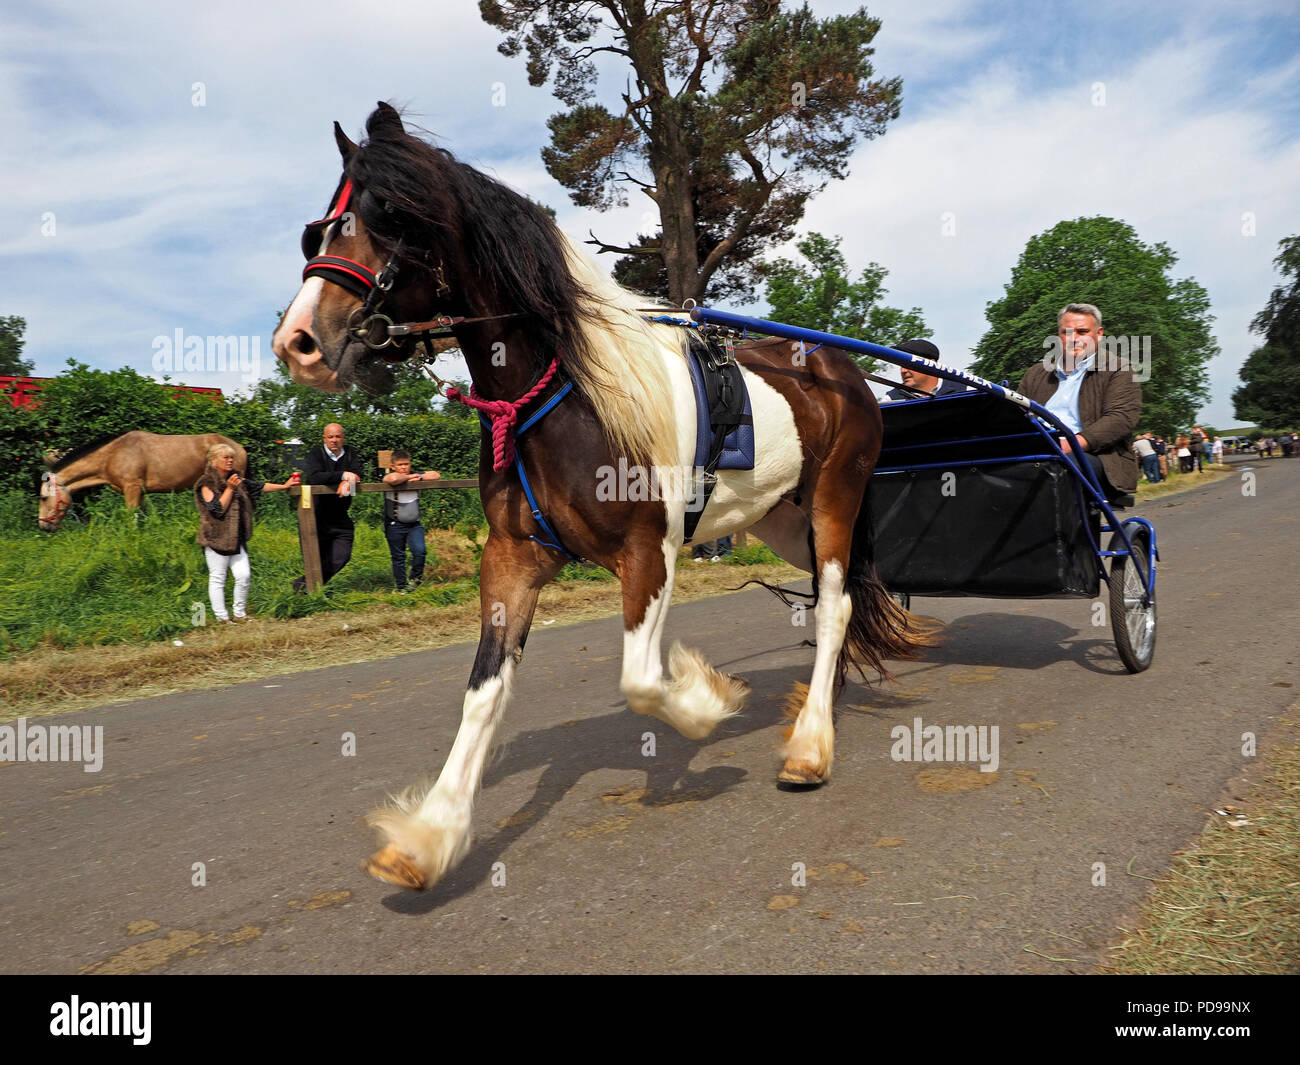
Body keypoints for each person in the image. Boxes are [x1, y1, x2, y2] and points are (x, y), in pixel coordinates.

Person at [1017, 303, 1141, 502]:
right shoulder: (1035, 374)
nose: (1074, 338)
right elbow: (1016, 414)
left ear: (1099, 334)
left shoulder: (1120, 368)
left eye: (1082, 331)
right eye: (1067, 332)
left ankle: (1062, 533)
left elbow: (1121, 418)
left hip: (1099, 457)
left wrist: (1069, 444)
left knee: (1058, 467)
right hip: (1037, 452)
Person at [195, 443, 296, 622]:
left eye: (231, 457)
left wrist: (284, 486)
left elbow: (259, 487)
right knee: (218, 578)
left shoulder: (236, 478)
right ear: (213, 461)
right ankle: (222, 618)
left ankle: (239, 614)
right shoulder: (206, 483)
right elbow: (217, 509)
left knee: (244, 575)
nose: (230, 460)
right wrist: (230, 489)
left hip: (236, 537)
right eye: (225, 457)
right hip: (216, 537)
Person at [294, 422, 365, 592]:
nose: (334, 440)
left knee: (342, 556)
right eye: (330, 437)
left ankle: (304, 585)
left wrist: (349, 481)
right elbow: (315, 477)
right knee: (316, 557)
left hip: (340, 516)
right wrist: (342, 475)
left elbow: (359, 473)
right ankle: (313, 592)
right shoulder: (315, 454)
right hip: (316, 516)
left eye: (338, 436)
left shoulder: (351, 453)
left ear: (343, 438)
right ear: (324, 438)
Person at [381, 450, 440, 592]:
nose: (403, 467)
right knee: (398, 556)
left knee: (420, 551)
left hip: (414, 524)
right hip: (395, 524)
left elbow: (436, 475)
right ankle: (402, 587)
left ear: (410, 464)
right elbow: (392, 480)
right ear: (393, 466)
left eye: (406, 464)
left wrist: (419, 476)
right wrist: (410, 477)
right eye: (400, 465)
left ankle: (415, 581)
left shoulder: (416, 475)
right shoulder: (389, 475)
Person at [884, 338, 967, 400]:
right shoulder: (891, 399)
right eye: (901, 365)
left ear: (931, 364)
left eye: (908, 364)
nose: (903, 371)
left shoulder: (966, 389)